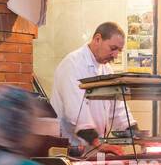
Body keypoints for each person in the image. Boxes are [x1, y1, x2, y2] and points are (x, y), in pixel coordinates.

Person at [49, 23, 135, 154]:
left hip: (95, 149)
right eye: (113, 48)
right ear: (97, 39)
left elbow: (119, 109)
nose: (115, 55)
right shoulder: (73, 64)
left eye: (119, 50)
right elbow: (76, 113)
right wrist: (99, 143)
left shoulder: (106, 69)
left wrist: (133, 131)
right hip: (72, 149)